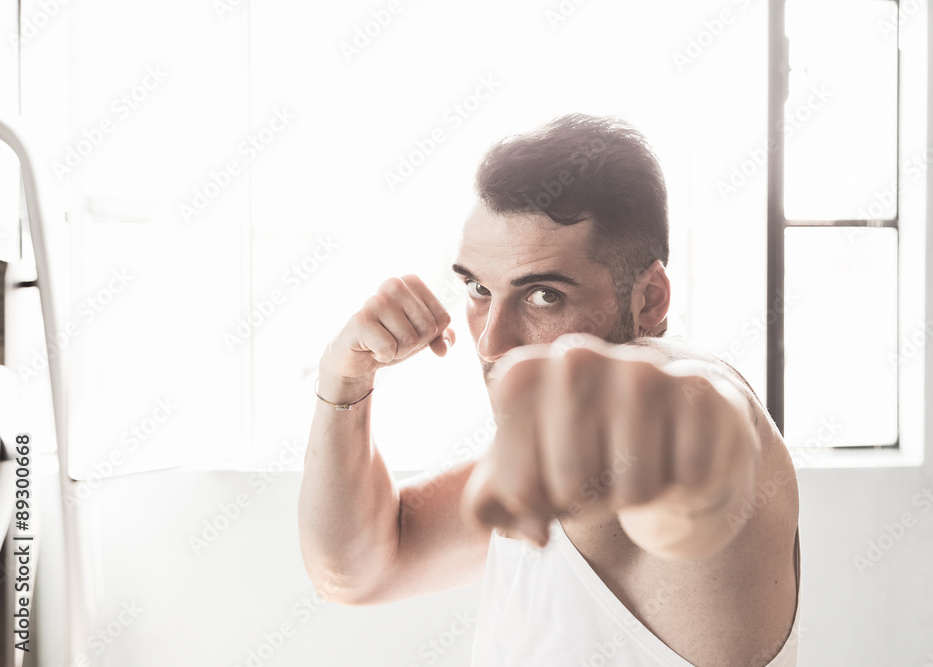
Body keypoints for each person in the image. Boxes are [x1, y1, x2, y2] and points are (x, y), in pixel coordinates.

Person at [297, 114, 800, 666]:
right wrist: (344, 379)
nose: (491, 342)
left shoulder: (678, 390)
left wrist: (689, 437)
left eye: (544, 296)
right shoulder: (550, 464)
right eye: (479, 288)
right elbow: (357, 570)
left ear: (650, 299)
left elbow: (700, 415)